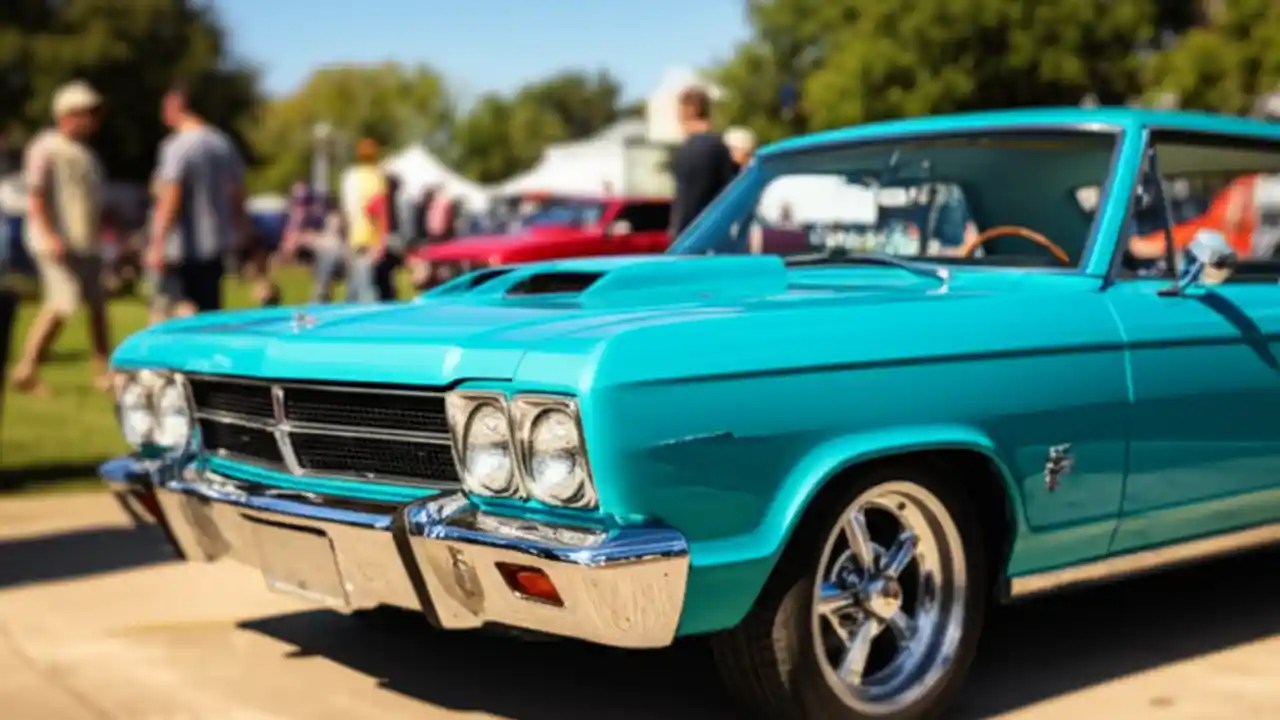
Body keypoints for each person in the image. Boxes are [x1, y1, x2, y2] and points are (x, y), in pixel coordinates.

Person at [10, 81, 111, 394]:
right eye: (87, 113)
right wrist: (50, 235)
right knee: (61, 302)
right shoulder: (46, 147)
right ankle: (26, 369)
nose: (93, 120)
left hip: (86, 242)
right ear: (67, 114)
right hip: (53, 241)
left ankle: (104, 372)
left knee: (97, 305)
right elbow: (36, 195)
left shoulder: (87, 155)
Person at [146, 81, 248, 324]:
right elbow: (237, 192)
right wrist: (243, 231)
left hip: (179, 247)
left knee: (174, 310)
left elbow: (171, 196)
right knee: (209, 314)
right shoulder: (222, 143)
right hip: (214, 244)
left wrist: (157, 243)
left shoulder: (177, 146)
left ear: (177, 105)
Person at [669, 86, 738, 236]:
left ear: (688, 111)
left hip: (688, 238)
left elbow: (684, 204)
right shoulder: (718, 146)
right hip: (709, 236)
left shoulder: (687, 150)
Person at [340, 138, 388, 303]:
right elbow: (379, 210)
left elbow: (346, 212)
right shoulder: (376, 177)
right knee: (366, 288)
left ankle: (347, 321)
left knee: (355, 286)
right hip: (370, 239)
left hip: (356, 238)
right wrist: (381, 242)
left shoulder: (350, 176)